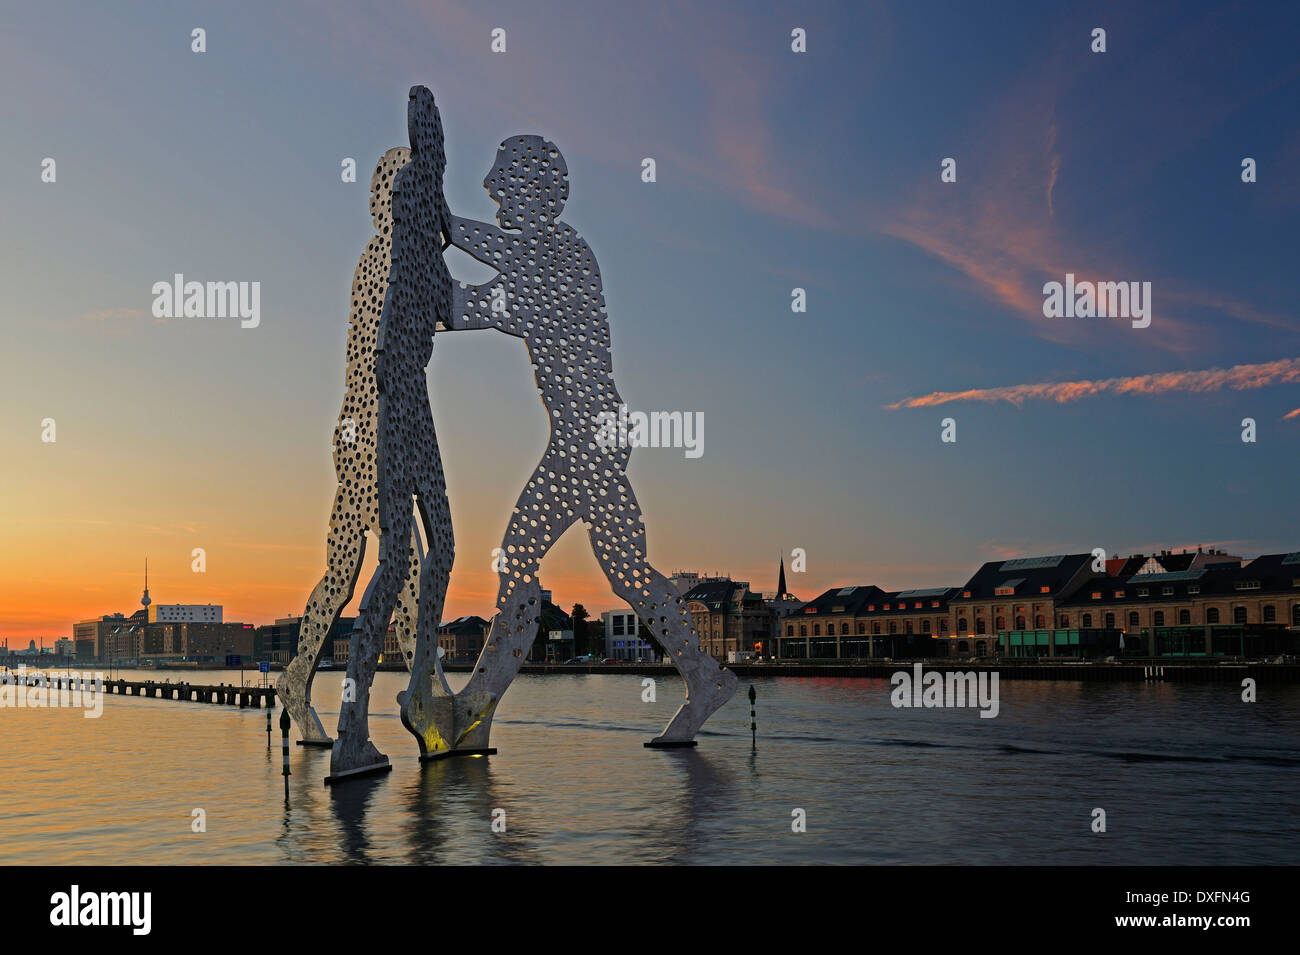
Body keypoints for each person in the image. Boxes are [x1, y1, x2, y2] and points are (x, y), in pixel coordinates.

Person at [428, 135, 736, 753]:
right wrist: (419, 267)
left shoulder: (561, 253)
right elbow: (461, 308)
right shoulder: (536, 279)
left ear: (534, 190)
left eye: (500, 180)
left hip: (588, 436)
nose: (488, 189)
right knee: (627, 573)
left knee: (519, 560)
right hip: (594, 433)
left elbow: (499, 258)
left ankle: (476, 712)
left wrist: (438, 221)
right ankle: (706, 678)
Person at [329, 87, 455, 780]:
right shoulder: (411, 258)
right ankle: (359, 721)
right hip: (401, 411)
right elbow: (394, 339)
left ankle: (410, 689)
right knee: (401, 561)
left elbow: (454, 308)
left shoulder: (418, 260)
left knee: (432, 550)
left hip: (411, 407)